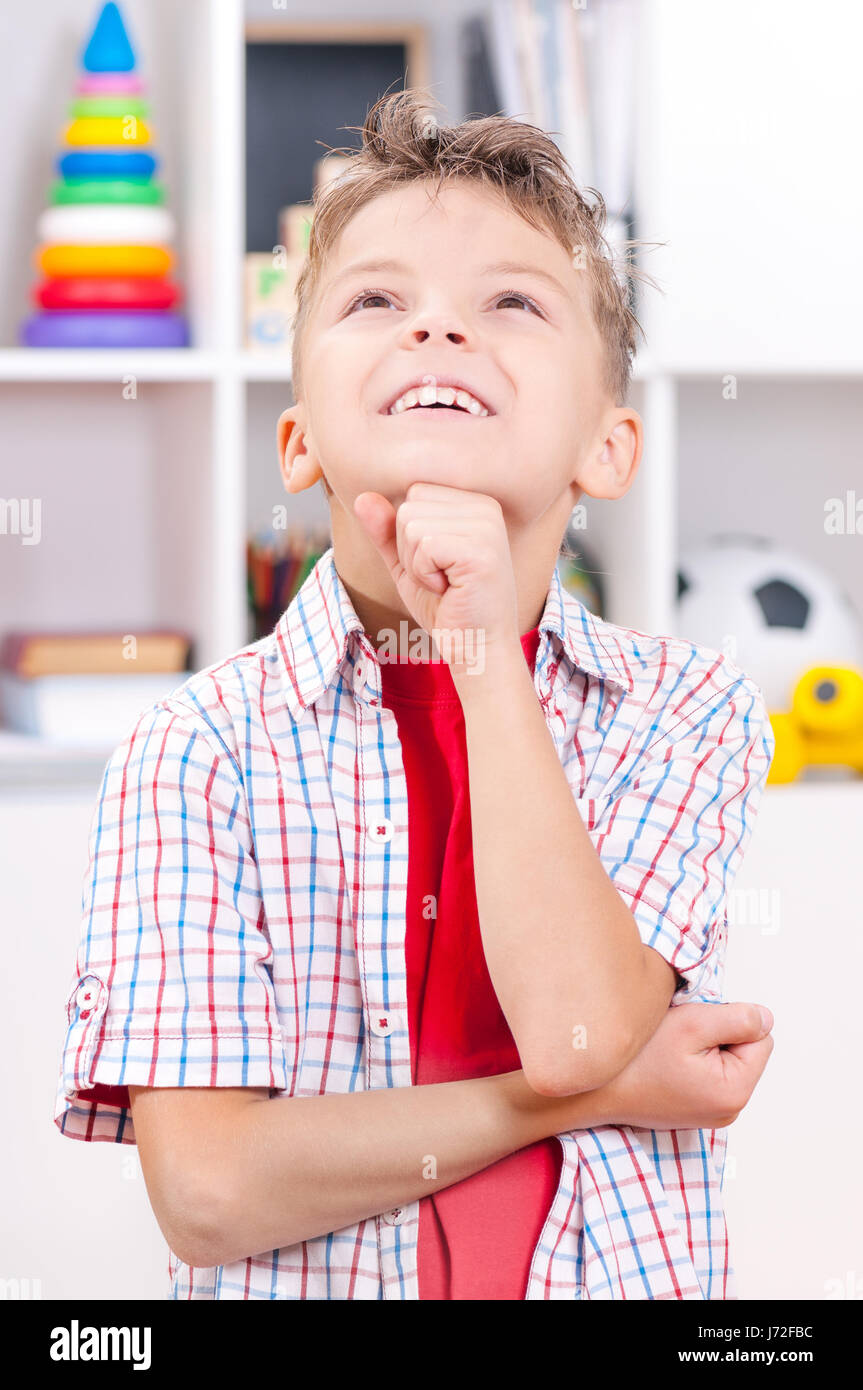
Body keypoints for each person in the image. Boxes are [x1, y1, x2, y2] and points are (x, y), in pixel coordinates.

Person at [54, 90, 776, 1300]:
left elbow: (576, 1030)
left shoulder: (686, 706)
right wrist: (601, 1095)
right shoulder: (195, 748)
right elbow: (212, 1194)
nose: (436, 332)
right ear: (298, 443)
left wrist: (482, 647)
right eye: (377, 300)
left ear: (607, 446)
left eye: (509, 302)